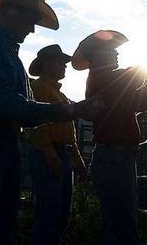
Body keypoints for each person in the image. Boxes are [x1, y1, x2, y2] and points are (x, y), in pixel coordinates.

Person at [0, 0, 102, 245]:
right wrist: (67, 110)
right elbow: (4, 105)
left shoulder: (3, 52)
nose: (32, 29)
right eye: (31, 20)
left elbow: (18, 106)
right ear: (11, 12)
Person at [73, 30, 147, 245]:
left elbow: (138, 96)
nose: (116, 53)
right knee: (122, 222)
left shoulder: (102, 79)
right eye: (111, 50)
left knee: (117, 220)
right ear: (99, 55)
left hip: (113, 156)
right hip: (115, 156)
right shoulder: (106, 78)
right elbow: (140, 96)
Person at [25, 44, 89, 245]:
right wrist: (51, 155)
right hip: (49, 152)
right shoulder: (39, 88)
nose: (64, 66)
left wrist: (77, 162)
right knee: (50, 212)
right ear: (47, 64)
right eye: (60, 62)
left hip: (57, 153)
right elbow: (37, 124)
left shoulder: (56, 93)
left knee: (58, 213)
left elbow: (69, 135)